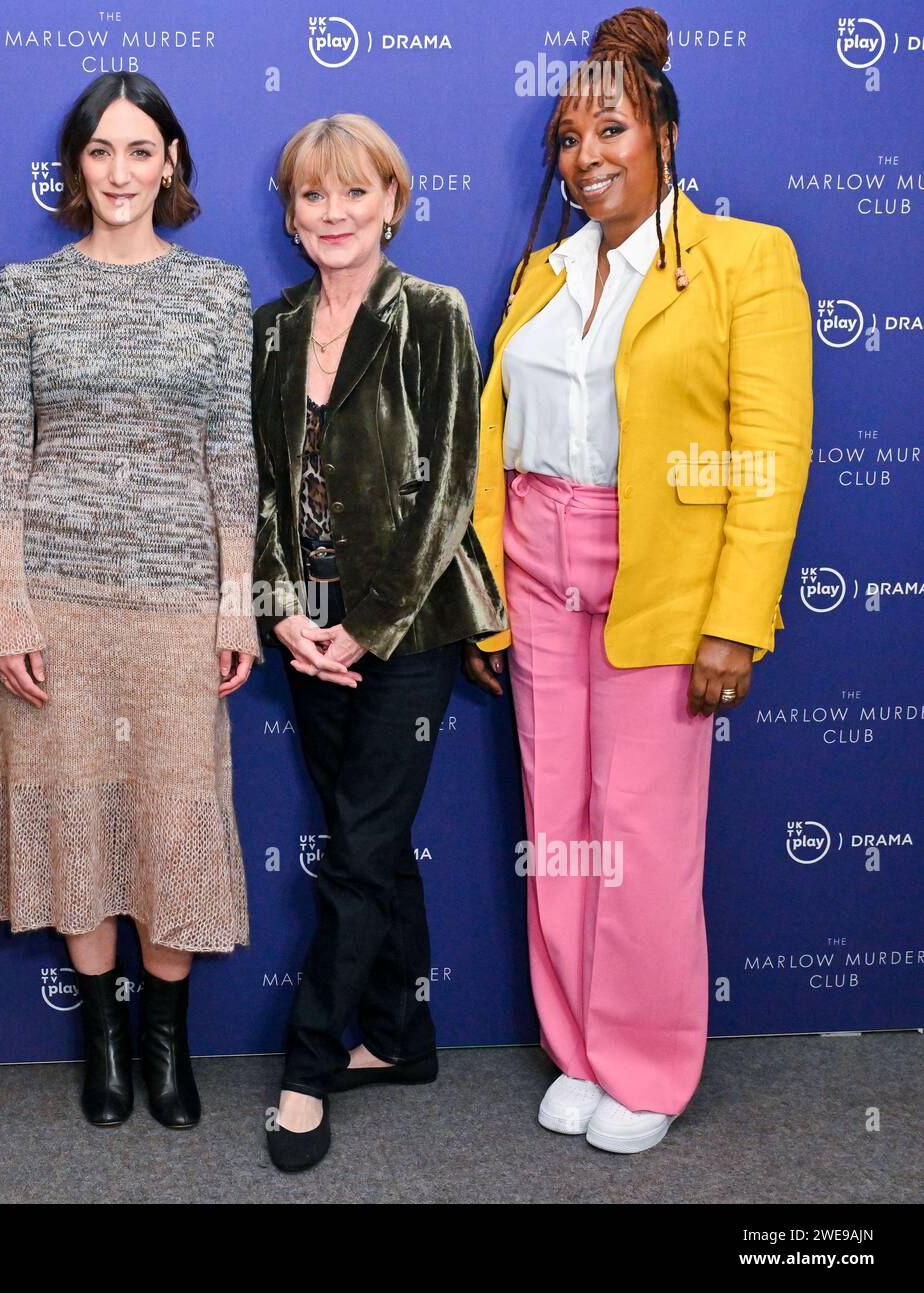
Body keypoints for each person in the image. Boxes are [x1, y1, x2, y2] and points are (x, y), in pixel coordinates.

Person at [466, 6, 812, 1153]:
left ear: (661, 131)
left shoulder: (743, 260)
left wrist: (736, 622)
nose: (585, 156)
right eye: (568, 138)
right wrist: (487, 592)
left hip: (657, 574)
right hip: (532, 562)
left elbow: (764, 457)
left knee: (644, 835)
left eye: (608, 128)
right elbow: (498, 435)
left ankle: (646, 1065)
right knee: (557, 824)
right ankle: (578, 1049)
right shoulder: (539, 272)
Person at [0, 72, 259, 1131]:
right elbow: (3, 454)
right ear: (74, 167)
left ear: (171, 162)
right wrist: (3, 607)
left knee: (173, 815)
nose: (121, 172)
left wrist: (238, 607)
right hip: (56, 599)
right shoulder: (31, 294)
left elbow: (234, 457)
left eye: (141, 151)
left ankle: (165, 1044)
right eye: (100, 152)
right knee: (74, 811)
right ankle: (102, 1039)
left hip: (179, 602)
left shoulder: (216, 290)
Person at [252, 114, 506, 1172]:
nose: (335, 213)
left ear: (393, 202)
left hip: (409, 625)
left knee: (354, 852)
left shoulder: (433, 315)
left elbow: (448, 489)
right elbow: (259, 485)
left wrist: (367, 626)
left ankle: (309, 1068)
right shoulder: (268, 327)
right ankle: (400, 1039)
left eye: (356, 193)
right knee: (375, 841)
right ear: (291, 214)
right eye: (314, 196)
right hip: (305, 625)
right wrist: (281, 608)